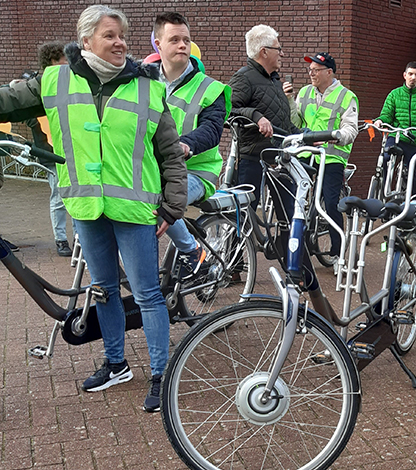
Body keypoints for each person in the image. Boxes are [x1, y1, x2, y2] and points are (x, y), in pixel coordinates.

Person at [0, 5, 187, 413]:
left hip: (136, 211)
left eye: (123, 35)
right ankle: (117, 363)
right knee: (103, 290)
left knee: (147, 293)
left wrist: (173, 206)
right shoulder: (53, 80)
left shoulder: (148, 86)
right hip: (86, 207)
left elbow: (171, 154)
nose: (120, 42)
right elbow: (5, 101)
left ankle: (161, 373)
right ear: (86, 41)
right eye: (110, 35)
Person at [153, 12, 231, 279]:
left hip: (196, 172)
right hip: (153, 170)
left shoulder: (210, 88)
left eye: (186, 39)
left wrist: (185, 145)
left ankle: (192, 250)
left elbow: (211, 130)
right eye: (174, 39)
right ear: (158, 44)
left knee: (157, 204)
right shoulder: (144, 82)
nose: (182, 45)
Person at [294, 52, 358, 264]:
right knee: (294, 197)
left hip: (331, 157)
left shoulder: (346, 96)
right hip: (306, 154)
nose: (311, 73)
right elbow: (295, 120)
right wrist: (286, 100)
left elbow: (351, 128)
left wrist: (336, 137)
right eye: (310, 69)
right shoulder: (304, 92)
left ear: (329, 72)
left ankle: (338, 254)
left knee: (331, 204)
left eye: (316, 70)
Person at [229, 24, 301, 209]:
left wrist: (303, 136)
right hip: (252, 160)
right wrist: (256, 116)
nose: (282, 54)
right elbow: (226, 112)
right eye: (279, 49)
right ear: (264, 52)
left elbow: (281, 123)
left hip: (279, 160)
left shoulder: (274, 81)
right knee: (245, 217)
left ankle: (285, 240)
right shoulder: (243, 78)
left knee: (289, 217)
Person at [30, 42, 75, 257]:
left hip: (70, 152)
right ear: (52, 62)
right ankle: (61, 239)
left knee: (76, 194)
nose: (68, 64)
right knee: (58, 196)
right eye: (63, 60)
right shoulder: (40, 86)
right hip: (51, 153)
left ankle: (79, 236)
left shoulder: (69, 84)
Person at [373, 61, 416, 195]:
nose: (413, 77)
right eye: (410, 74)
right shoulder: (394, 94)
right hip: (397, 137)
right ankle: (385, 189)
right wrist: (380, 120)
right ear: (405, 75)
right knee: (385, 158)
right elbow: (386, 114)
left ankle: (413, 207)